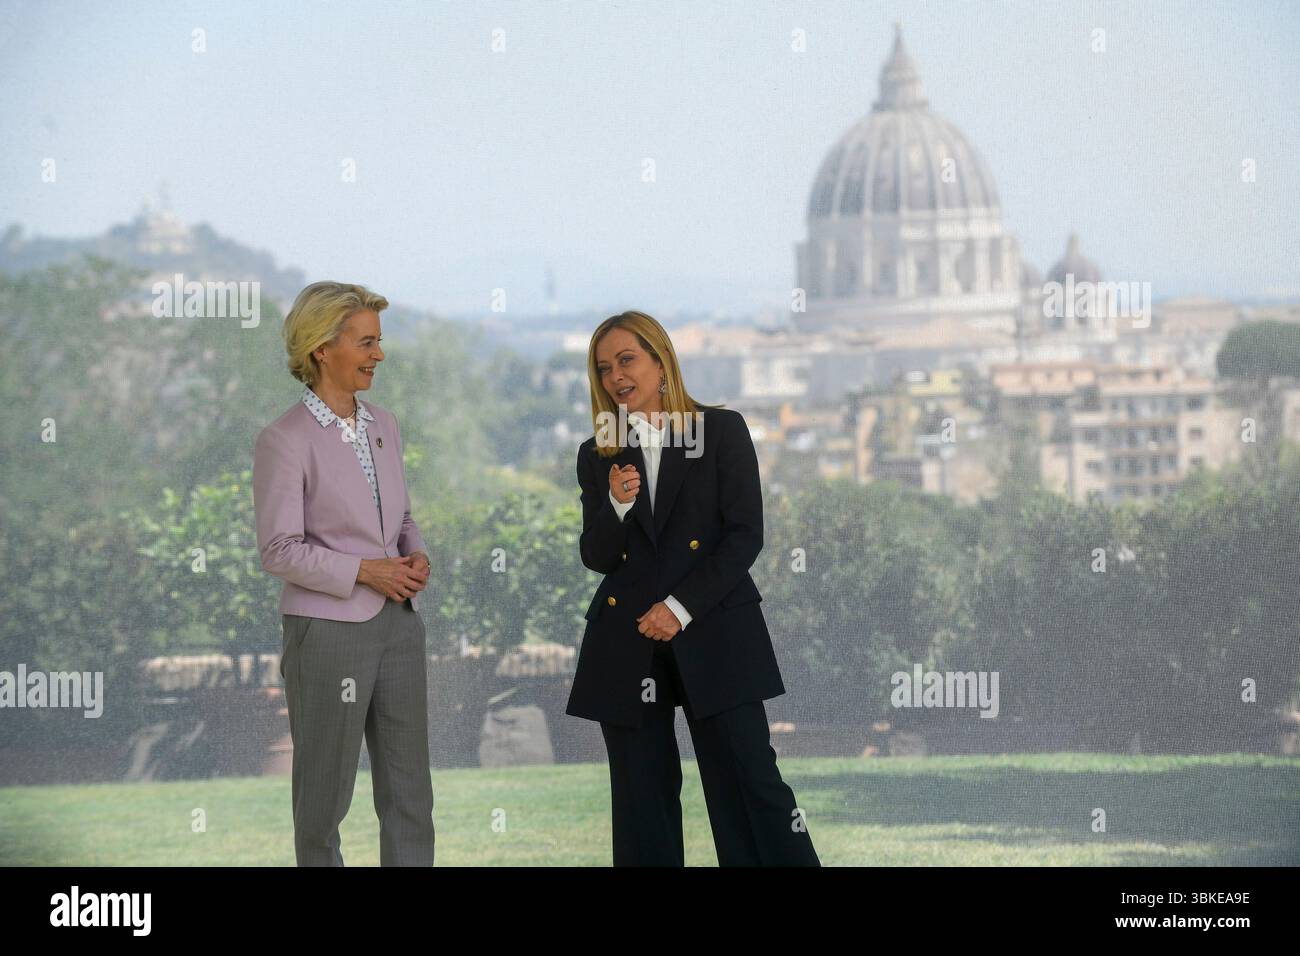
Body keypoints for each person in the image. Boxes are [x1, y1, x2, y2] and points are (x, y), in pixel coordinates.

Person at [566, 310, 820, 866]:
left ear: (661, 362)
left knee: (751, 782)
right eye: (604, 368)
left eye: (627, 360)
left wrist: (679, 609)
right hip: (629, 642)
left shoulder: (721, 430)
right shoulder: (598, 453)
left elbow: (744, 536)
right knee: (641, 799)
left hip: (715, 629)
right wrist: (616, 504)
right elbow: (598, 555)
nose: (616, 377)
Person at [252, 280, 435, 866]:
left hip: (400, 629)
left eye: (378, 342)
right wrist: (367, 571)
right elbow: (278, 549)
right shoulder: (284, 441)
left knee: (410, 793)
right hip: (327, 633)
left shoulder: (384, 423)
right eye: (366, 342)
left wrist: (415, 553)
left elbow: (401, 516)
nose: (378, 355)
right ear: (321, 348)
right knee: (324, 799)